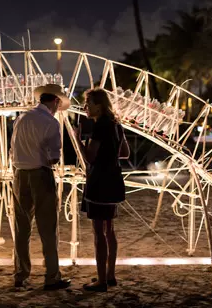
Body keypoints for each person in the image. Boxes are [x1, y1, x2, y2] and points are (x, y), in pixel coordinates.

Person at [10, 83, 71, 290]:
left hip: (19, 174)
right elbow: (54, 157)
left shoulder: (22, 118)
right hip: (40, 174)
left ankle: (21, 274)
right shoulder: (51, 122)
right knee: (47, 228)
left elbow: (13, 148)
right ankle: (52, 276)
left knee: (22, 227)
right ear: (55, 101)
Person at [75, 88, 130, 292]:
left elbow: (90, 157)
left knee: (98, 231)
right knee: (110, 229)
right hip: (114, 179)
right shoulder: (116, 124)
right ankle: (110, 274)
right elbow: (124, 152)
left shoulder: (99, 126)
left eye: (88, 103)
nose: (85, 108)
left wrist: (78, 141)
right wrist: (110, 154)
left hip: (99, 181)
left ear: (98, 105)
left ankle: (101, 281)